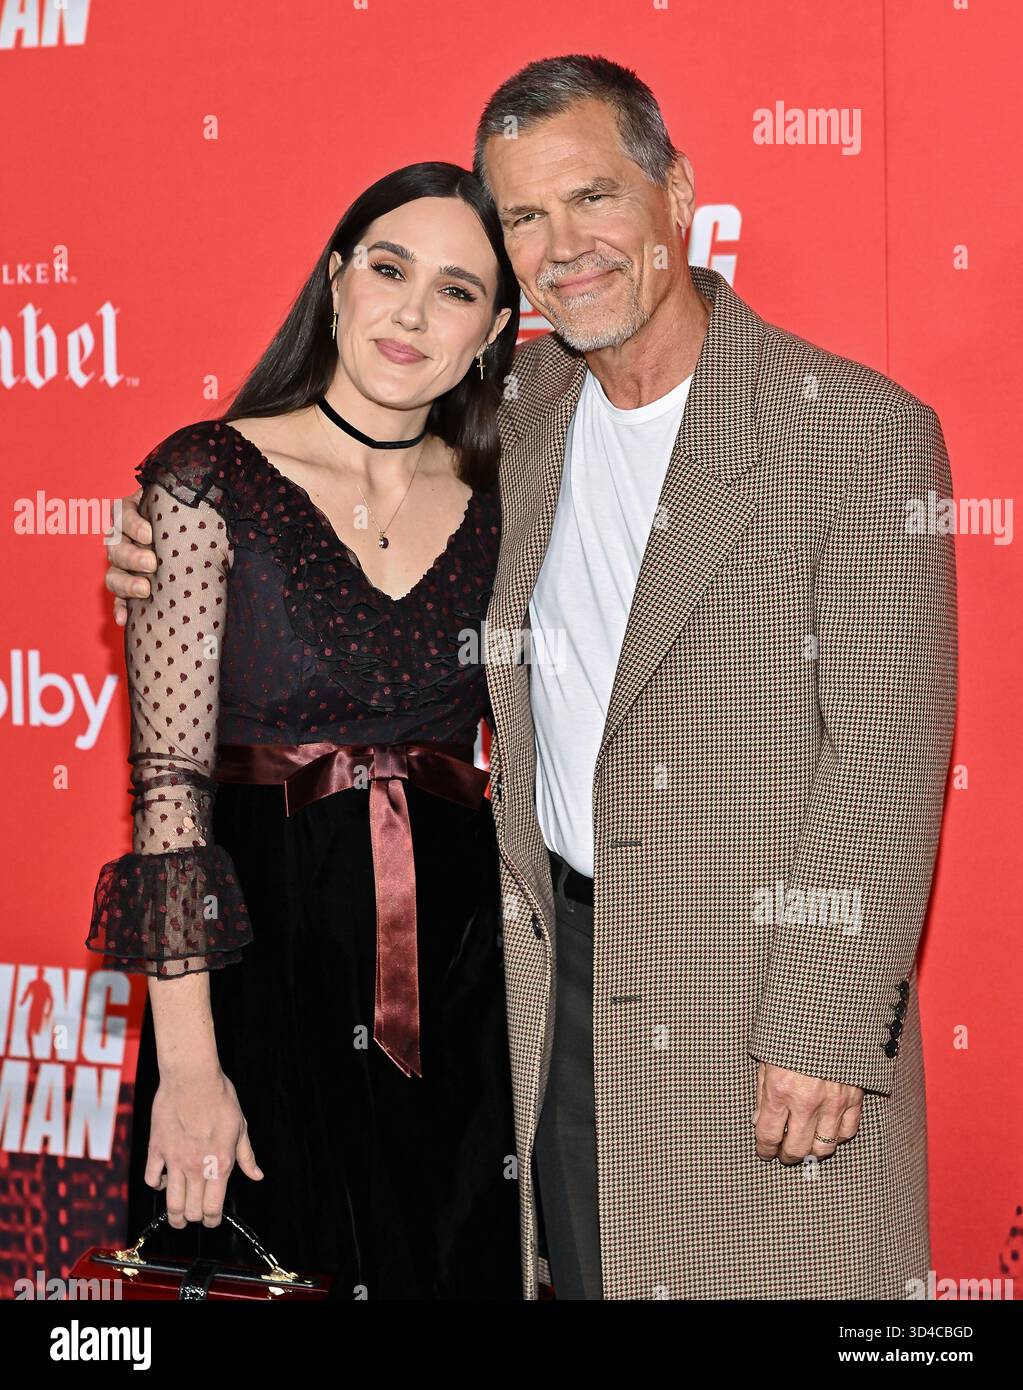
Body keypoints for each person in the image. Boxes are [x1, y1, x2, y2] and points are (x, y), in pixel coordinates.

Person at [106, 56, 959, 1303]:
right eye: (526, 217)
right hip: (532, 976)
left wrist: (827, 1021)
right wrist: (171, 549)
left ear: (677, 194)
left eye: (593, 197)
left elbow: (889, 749)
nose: (565, 245)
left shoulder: (855, 428)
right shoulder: (527, 409)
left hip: (752, 982)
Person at [89, 160, 522, 1300]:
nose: (413, 312)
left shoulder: (514, 495)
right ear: (336, 280)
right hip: (254, 973)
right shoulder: (205, 478)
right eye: (388, 268)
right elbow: (169, 788)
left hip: (465, 986)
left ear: (494, 332)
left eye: (458, 290)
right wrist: (190, 1064)